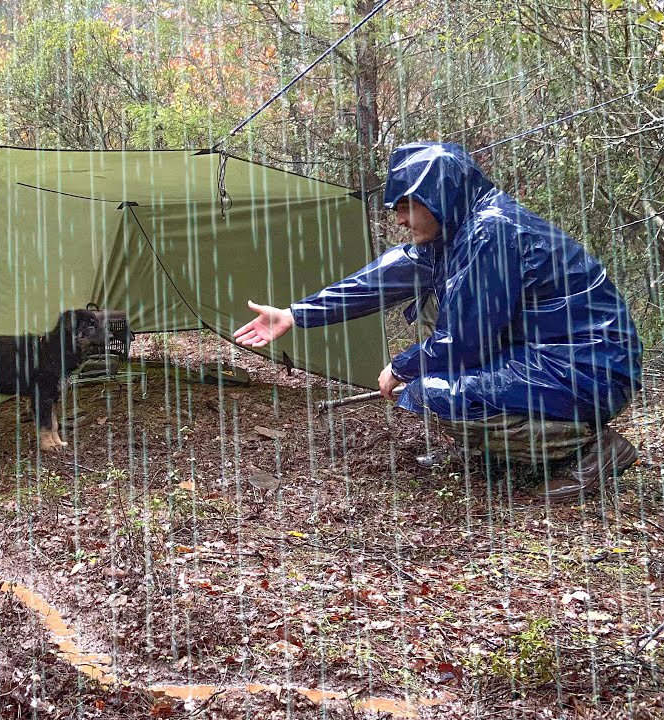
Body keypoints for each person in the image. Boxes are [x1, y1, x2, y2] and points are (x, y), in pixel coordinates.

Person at [233, 142, 642, 503]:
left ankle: (590, 449)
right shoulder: (458, 233)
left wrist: (402, 366)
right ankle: (513, 450)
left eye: (406, 206)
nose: (399, 221)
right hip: (553, 357)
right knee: (437, 355)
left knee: (434, 393)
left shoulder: (490, 234)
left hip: (589, 368)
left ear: (439, 196)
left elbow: (465, 341)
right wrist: (295, 314)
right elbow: (380, 279)